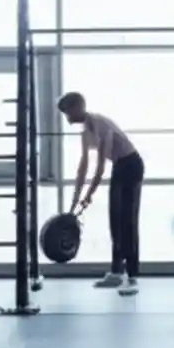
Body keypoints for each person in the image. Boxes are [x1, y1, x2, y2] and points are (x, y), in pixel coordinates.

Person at [59, 92, 145, 296]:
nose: (66, 117)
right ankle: (116, 271)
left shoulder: (100, 124)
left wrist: (89, 194)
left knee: (128, 221)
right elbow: (83, 167)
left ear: (77, 108)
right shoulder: (85, 133)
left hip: (132, 165)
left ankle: (132, 277)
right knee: (115, 219)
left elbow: (99, 168)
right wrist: (75, 201)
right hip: (120, 166)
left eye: (67, 111)